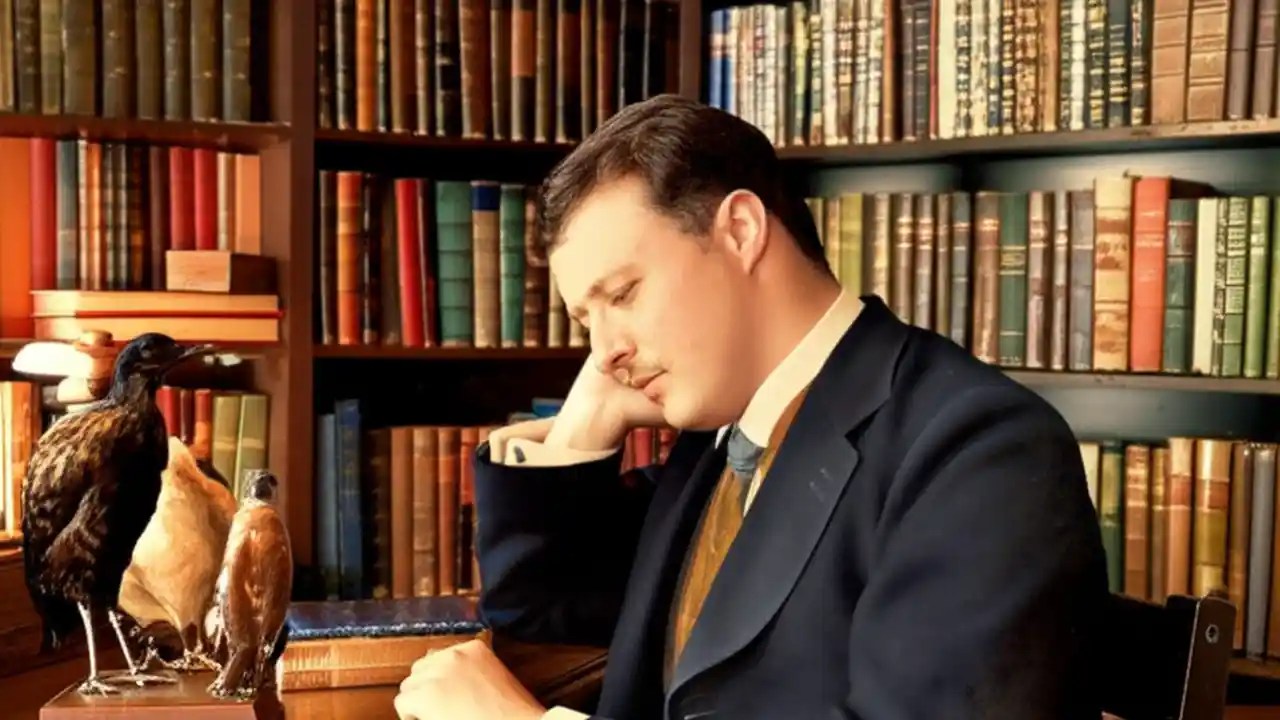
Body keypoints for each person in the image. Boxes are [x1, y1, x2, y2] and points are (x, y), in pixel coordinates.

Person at [393, 94, 1109, 720]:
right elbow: (541, 608)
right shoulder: (721, 444)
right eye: (586, 319)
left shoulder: (980, 452)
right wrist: (588, 419)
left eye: (623, 294)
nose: (604, 349)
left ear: (740, 230)